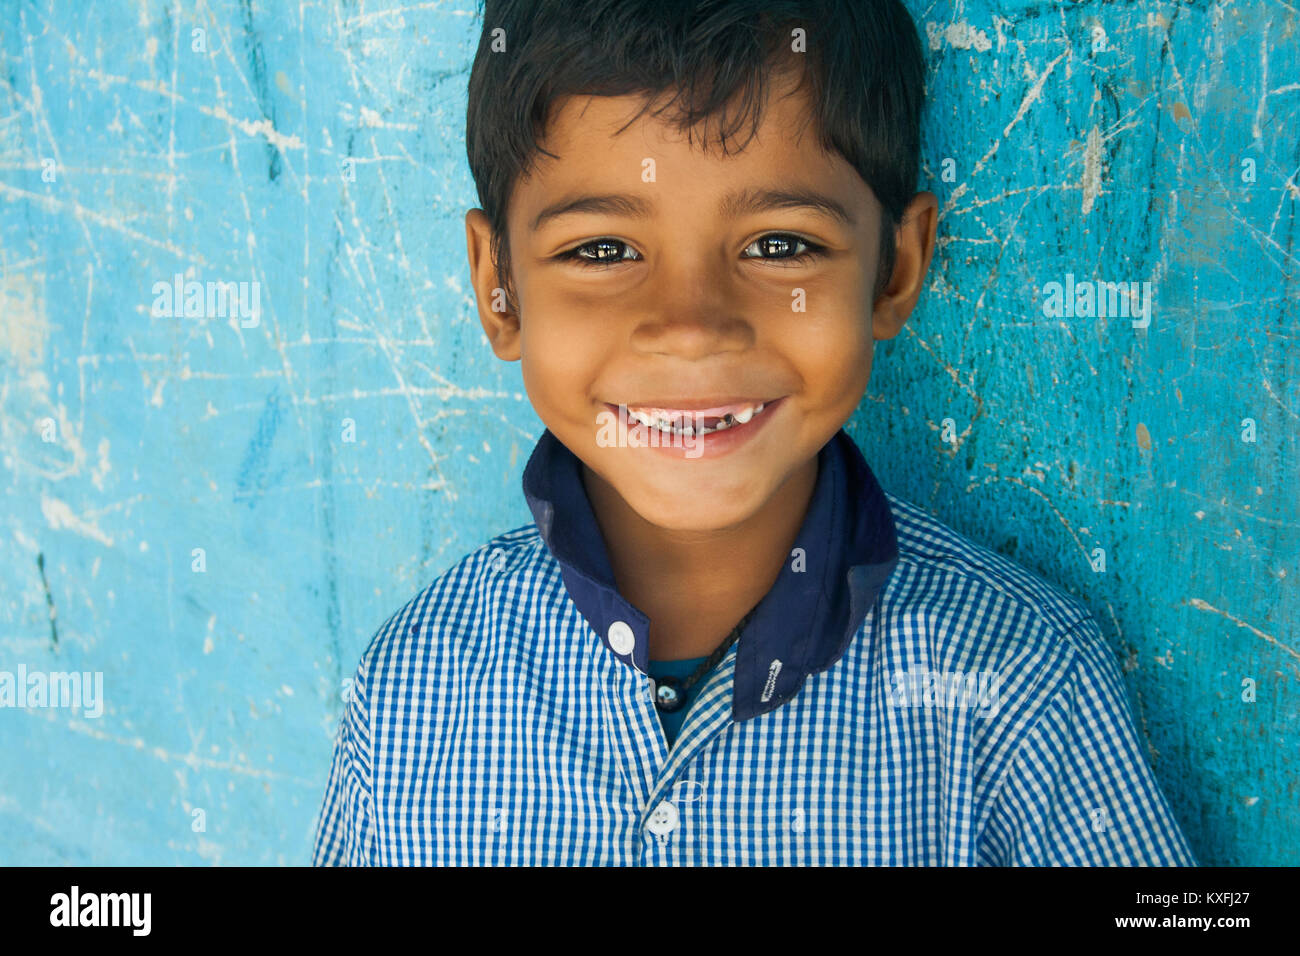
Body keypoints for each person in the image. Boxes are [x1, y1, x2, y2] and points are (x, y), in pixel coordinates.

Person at [313, 0, 1196, 865]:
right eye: (602, 250)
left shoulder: (1021, 686)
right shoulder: (412, 690)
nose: (691, 327)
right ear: (497, 287)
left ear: (896, 269)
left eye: (779, 246)